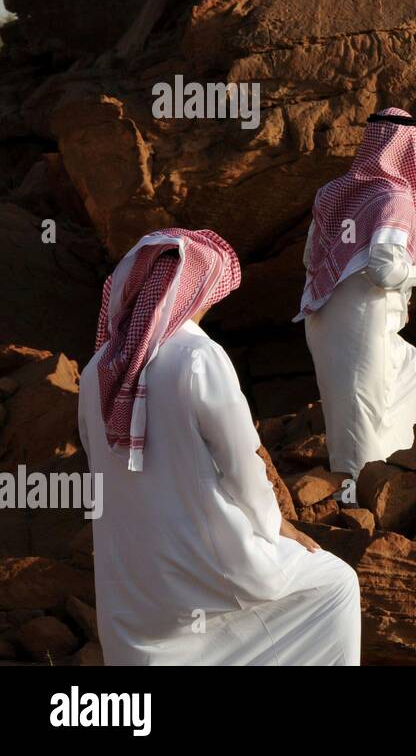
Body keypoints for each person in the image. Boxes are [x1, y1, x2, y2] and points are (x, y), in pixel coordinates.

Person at [80, 228, 361, 665]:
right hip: (204, 568)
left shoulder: (96, 369)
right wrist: (275, 528)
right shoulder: (197, 355)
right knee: (335, 583)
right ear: (197, 290)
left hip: (129, 586)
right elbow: (242, 465)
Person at [296, 107, 416, 479]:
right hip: (360, 323)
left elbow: (311, 257)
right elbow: (384, 271)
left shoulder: (332, 193)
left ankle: (378, 488)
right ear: (408, 149)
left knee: (413, 373)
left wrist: (398, 302)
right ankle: (358, 509)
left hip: (323, 318)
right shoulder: (396, 198)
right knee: (361, 419)